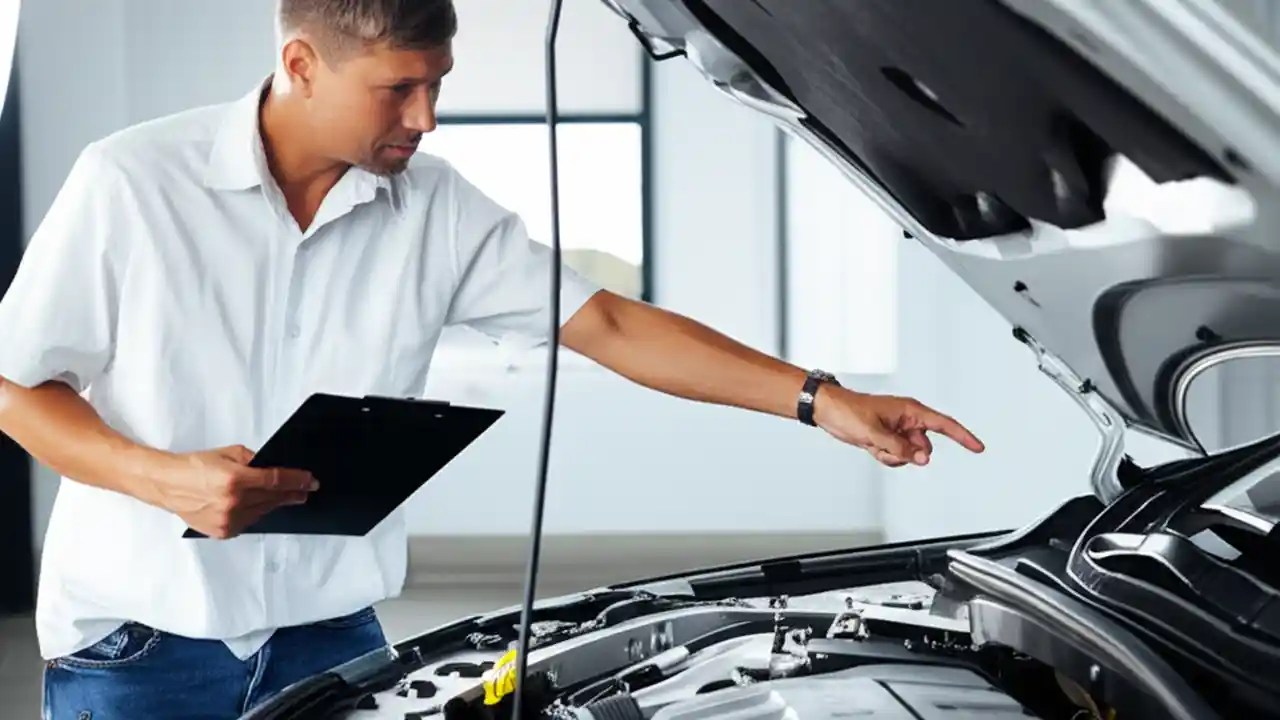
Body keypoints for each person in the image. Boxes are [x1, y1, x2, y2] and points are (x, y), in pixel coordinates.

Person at [0, 0, 984, 717]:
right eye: (397, 89)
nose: (425, 118)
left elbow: (606, 325)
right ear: (301, 64)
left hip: (331, 625)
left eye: (436, 86)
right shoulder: (130, 182)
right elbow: (13, 383)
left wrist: (821, 399)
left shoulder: (437, 206)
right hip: (141, 637)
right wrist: (161, 479)